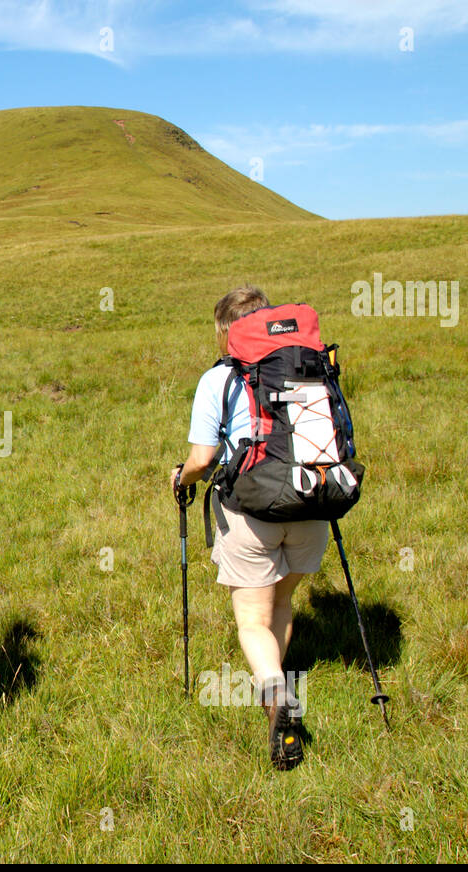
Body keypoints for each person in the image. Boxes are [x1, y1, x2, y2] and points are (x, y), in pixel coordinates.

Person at [171, 286, 328, 770]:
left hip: (254, 510)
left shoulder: (218, 379)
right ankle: (276, 692)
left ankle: (277, 697)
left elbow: (204, 458)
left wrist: (181, 478)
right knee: (281, 603)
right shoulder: (308, 365)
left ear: (225, 332)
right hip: (313, 501)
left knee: (252, 619)